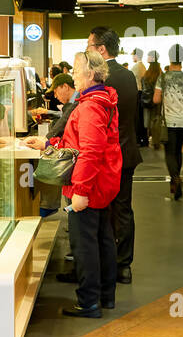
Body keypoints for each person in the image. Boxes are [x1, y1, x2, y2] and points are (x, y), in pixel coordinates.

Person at [24, 50, 122, 318]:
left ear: (90, 75)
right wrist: (48, 143)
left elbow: (90, 152)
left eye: (78, 72)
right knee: (102, 238)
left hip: (90, 184)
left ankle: (89, 302)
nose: (75, 77)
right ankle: (105, 295)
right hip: (102, 181)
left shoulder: (90, 107)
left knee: (85, 243)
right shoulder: (101, 101)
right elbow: (79, 144)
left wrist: (80, 191)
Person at [87, 26, 143, 284]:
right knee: (123, 209)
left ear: (101, 49)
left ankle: (104, 263)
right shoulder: (129, 76)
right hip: (128, 152)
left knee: (102, 209)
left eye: (90, 46)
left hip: (107, 155)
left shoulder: (101, 78)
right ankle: (124, 265)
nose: (88, 51)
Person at [153, 44, 183, 199]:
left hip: (168, 121)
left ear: (170, 58)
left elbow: (156, 99)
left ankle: (175, 178)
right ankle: (177, 183)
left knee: (169, 152)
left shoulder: (163, 77)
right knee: (178, 150)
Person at [129, 48, 148, 148]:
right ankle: (143, 139)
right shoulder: (143, 66)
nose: (132, 57)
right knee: (141, 117)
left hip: (137, 93)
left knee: (137, 117)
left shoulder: (136, 66)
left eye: (133, 55)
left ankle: (139, 139)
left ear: (136, 55)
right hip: (141, 93)